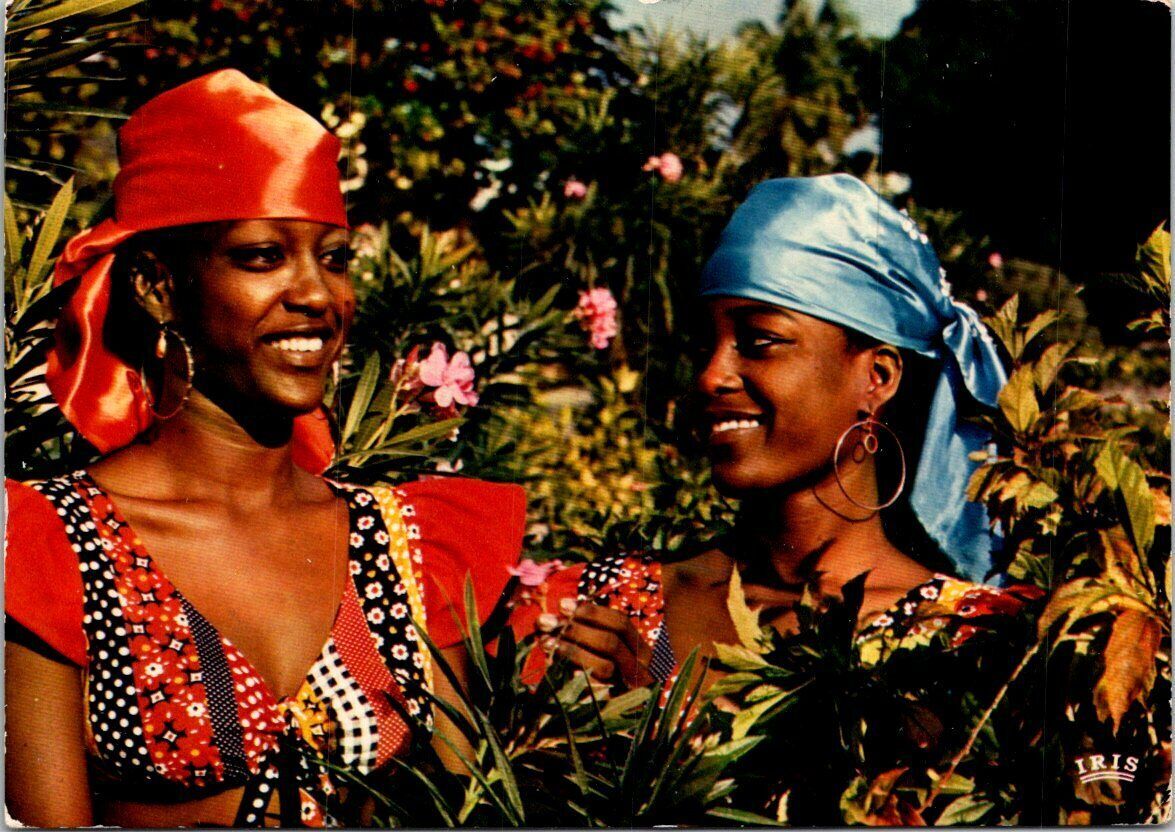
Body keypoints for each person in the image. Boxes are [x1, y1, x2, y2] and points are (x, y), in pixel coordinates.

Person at [4, 70, 526, 828]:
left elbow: (468, 811)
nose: (317, 295)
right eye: (262, 257)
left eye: (335, 259)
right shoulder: (49, 543)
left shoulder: (408, 541)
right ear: (157, 286)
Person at [512, 174, 1040, 693]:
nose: (711, 376)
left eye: (760, 340)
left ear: (876, 377)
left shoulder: (978, 646)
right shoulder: (605, 603)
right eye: (705, 344)